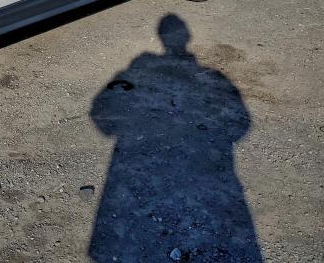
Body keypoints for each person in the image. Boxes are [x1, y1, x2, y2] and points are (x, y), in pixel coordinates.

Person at [89, 14, 262, 262]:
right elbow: (241, 124)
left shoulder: (141, 65)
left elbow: (99, 113)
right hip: (204, 174)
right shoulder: (210, 76)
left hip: (136, 167)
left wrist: (120, 130)